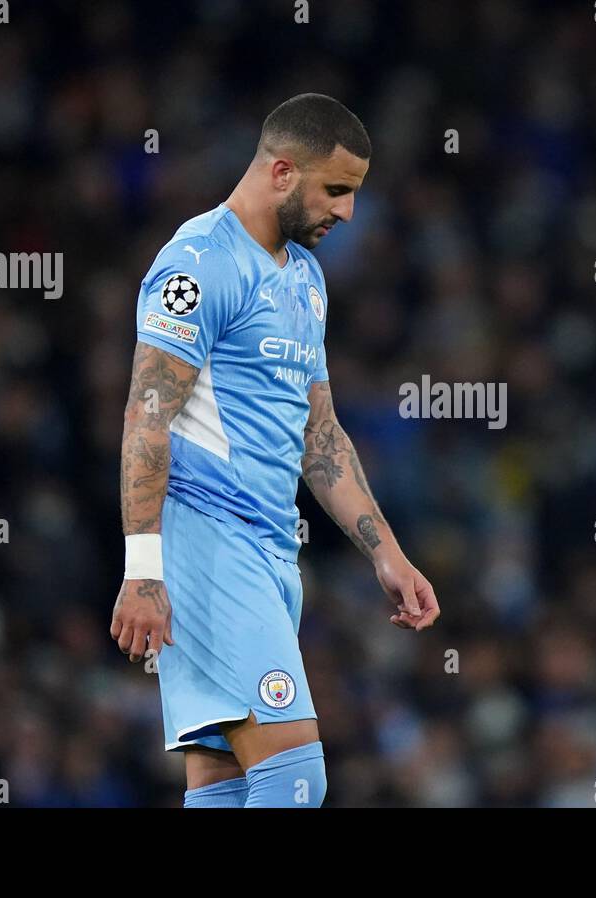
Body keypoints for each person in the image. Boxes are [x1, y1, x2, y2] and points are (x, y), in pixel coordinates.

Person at [110, 93, 440, 808]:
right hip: (208, 546)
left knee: (224, 786)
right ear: (283, 171)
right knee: (296, 776)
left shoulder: (305, 280)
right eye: (338, 191)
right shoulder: (199, 263)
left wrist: (385, 551)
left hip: (268, 555)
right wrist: (143, 570)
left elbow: (319, 433)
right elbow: (146, 414)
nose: (348, 213)